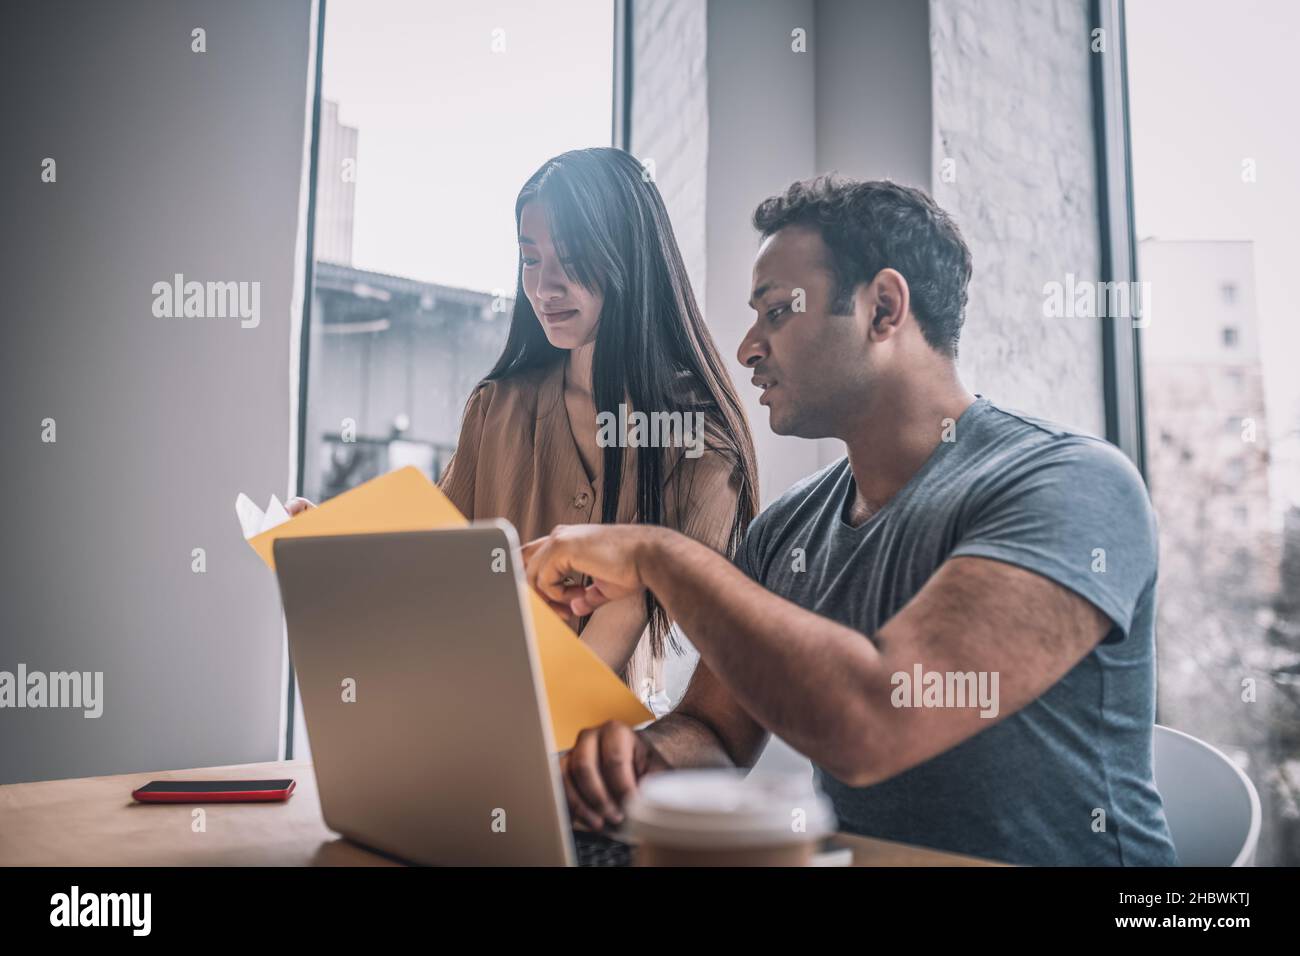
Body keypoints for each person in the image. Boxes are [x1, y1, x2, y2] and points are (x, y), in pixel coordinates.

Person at [522, 176, 1179, 866]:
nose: (748, 348)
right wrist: (641, 762)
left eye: (776, 312)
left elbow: (875, 719)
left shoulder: (1069, 484)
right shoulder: (787, 531)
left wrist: (656, 555)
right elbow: (712, 731)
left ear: (883, 308)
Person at [293, 147, 758, 700]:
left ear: (631, 258)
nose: (545, 287)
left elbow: (623, 639)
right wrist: (331, 546)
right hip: (479, 729)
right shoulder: (496, 411)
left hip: (613, 762)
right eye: (531, 258)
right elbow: (435, 567)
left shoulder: (698, 443)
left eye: (573, 255)